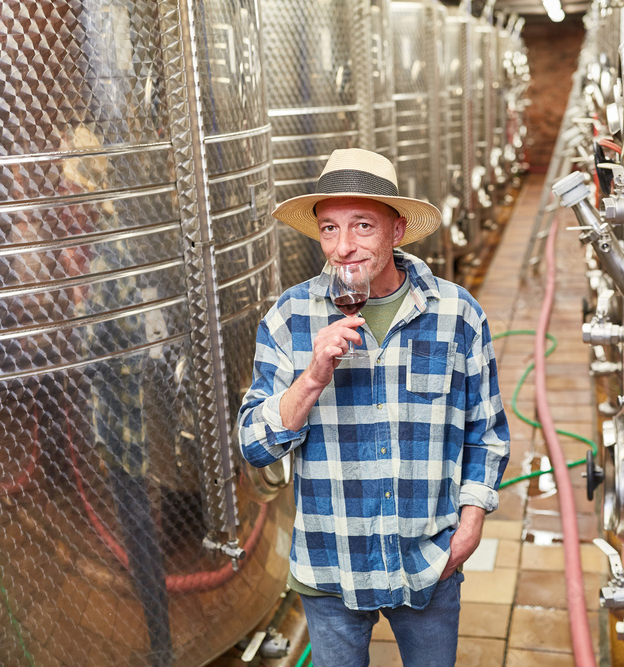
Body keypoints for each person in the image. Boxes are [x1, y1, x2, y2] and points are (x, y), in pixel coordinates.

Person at [238, 148, 510, 666]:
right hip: (331, 565)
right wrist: (311, 380)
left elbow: (487, 432)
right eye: (330, 229)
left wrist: (471, 523)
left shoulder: (457, 313)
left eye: (362, 225)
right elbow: (254, 445)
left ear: (397, 230)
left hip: (428, 560)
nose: (342, 247)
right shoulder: (290, 317)